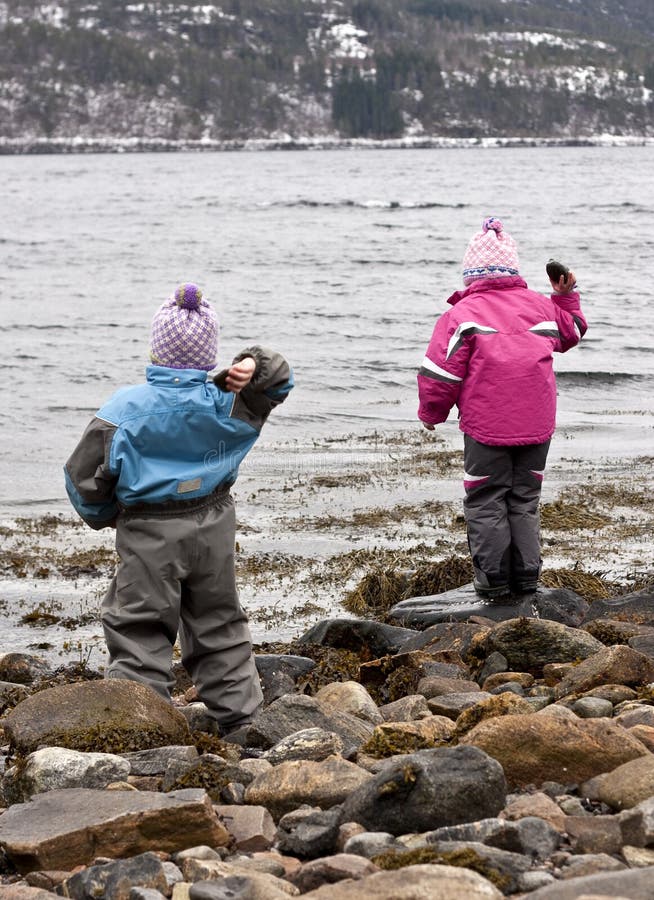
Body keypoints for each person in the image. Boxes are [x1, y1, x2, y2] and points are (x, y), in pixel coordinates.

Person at [64, 282, 293, 734]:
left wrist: (105, 515)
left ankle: (142, 724)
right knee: (219, 622)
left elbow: (83, 477)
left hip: (148, 532)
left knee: (139, 627)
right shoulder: (230, 402)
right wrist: (253, 361)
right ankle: (243, 721)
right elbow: (278, 380)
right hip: (213, 524)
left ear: (156, 351)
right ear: (210, 357)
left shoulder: (124, 409)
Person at [417, 217, 587, 599]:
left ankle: (493, 580)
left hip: (486, 429)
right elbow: (573, 331)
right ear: (513, 269)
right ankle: (526, 577)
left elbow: (440, 373)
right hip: (536, 425)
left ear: (470, 274)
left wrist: (432, 412)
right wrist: (564, 297)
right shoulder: (540, 307)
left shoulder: (461, 316)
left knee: (486, 498)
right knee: (525, 498)